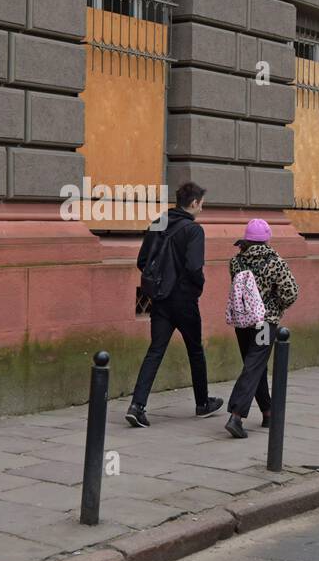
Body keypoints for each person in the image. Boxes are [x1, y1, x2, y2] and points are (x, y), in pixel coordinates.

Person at [125, 181, 224, 428]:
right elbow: (194, 267)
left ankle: (137, 406)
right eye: (201, 203)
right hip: (183, 299)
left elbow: (143, 260)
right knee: (195, 350)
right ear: (193, 203)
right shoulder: (193, 230)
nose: (202, 208)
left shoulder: (159, 221)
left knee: (155, 350)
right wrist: (196, 288)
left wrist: (160, 283)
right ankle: (202, 403)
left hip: (159, 297)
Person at [223, 219, 299, 439]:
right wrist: (276, 307)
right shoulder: (275, 262)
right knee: (254, 366)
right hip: (265, 324)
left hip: (242, 323)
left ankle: (268, 412)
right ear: (266, 238)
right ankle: (236, 416)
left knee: (255, 366)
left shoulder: (236, 261)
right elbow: (291, 292)